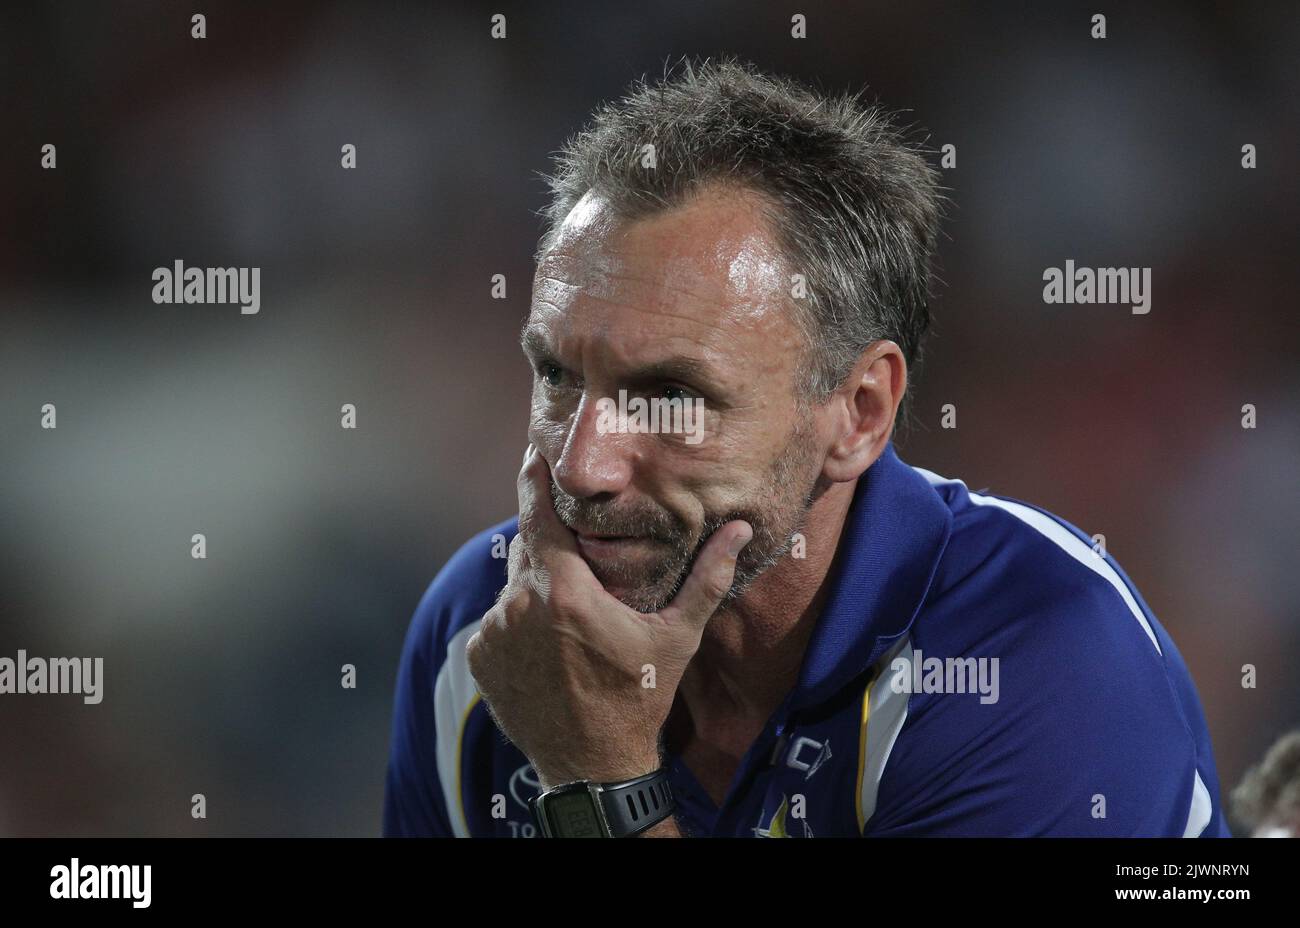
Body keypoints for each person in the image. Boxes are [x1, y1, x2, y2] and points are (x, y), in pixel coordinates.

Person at [383, 58, 1229, 837]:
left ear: (859, 413)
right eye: (559, 375)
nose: (581, 465)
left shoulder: (1038, 660)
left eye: (673, 397)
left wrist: (598, 775)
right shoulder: (483, 637)